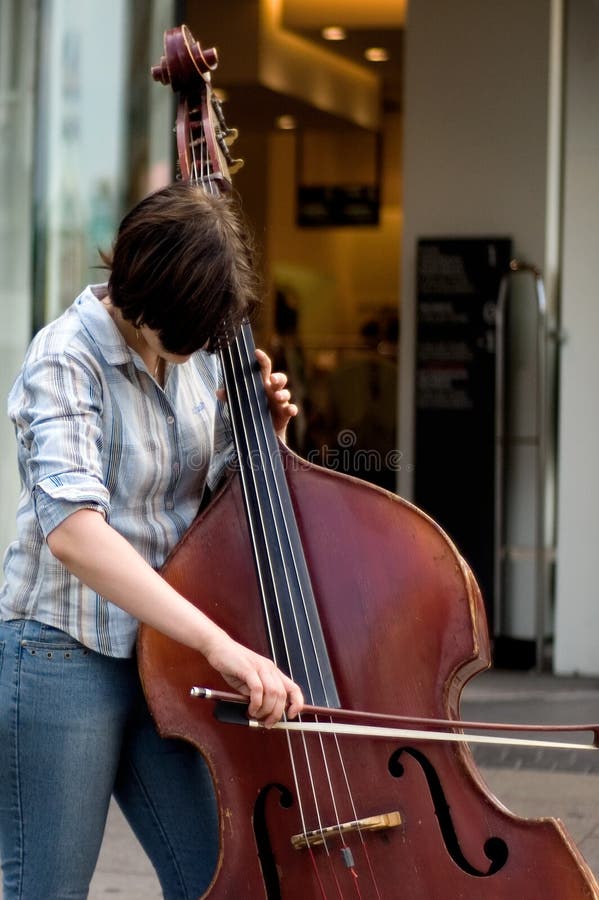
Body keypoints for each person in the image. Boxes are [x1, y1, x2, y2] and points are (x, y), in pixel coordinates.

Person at [0, 181, 304, 899]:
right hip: (61, 653)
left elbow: (204, 506)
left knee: (221, 882)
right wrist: (219, 643)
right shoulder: (63, 360)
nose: (201, 350)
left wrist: (264, 443)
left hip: (164, 657)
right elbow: (75, 534)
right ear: (139, 298)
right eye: (188, 336)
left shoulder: (195, 345)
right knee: (49, 889)